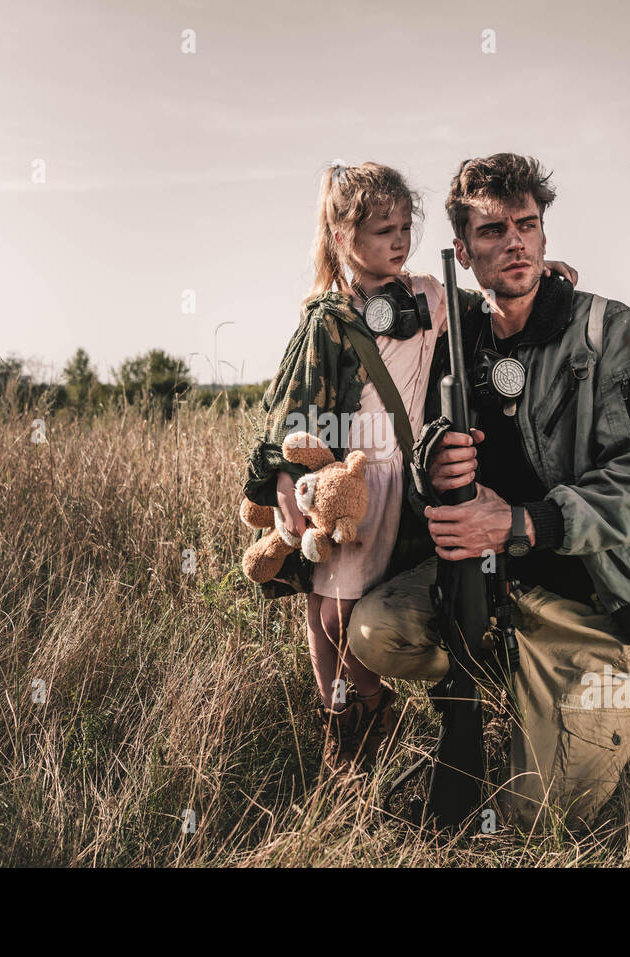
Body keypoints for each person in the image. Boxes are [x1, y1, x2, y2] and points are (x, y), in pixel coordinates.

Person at [347, 152, 630, 829]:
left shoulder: (609, 332)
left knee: (539, 818)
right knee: (374, 628)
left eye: (526, 224)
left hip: (591, 602)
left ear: (545, 236)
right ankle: (481, 704)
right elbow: (428, 455)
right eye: (493, 231)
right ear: (464, 252)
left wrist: (524, 524)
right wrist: (431, 464)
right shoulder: (461, 337)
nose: (515, 242)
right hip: (492, 592)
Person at [242, 160, 577, 774]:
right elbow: (293, 410)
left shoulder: (425, 294)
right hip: (352, 487)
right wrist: (286, 478)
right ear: (344, 239)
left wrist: (538, 278)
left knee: (356, 608)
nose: (398, 242)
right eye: (381, 232)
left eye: (403, 228)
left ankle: (366, 709)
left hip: (406, 482)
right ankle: (346, 717)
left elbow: (487, 310)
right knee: (328, 608)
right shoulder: (329, 319)